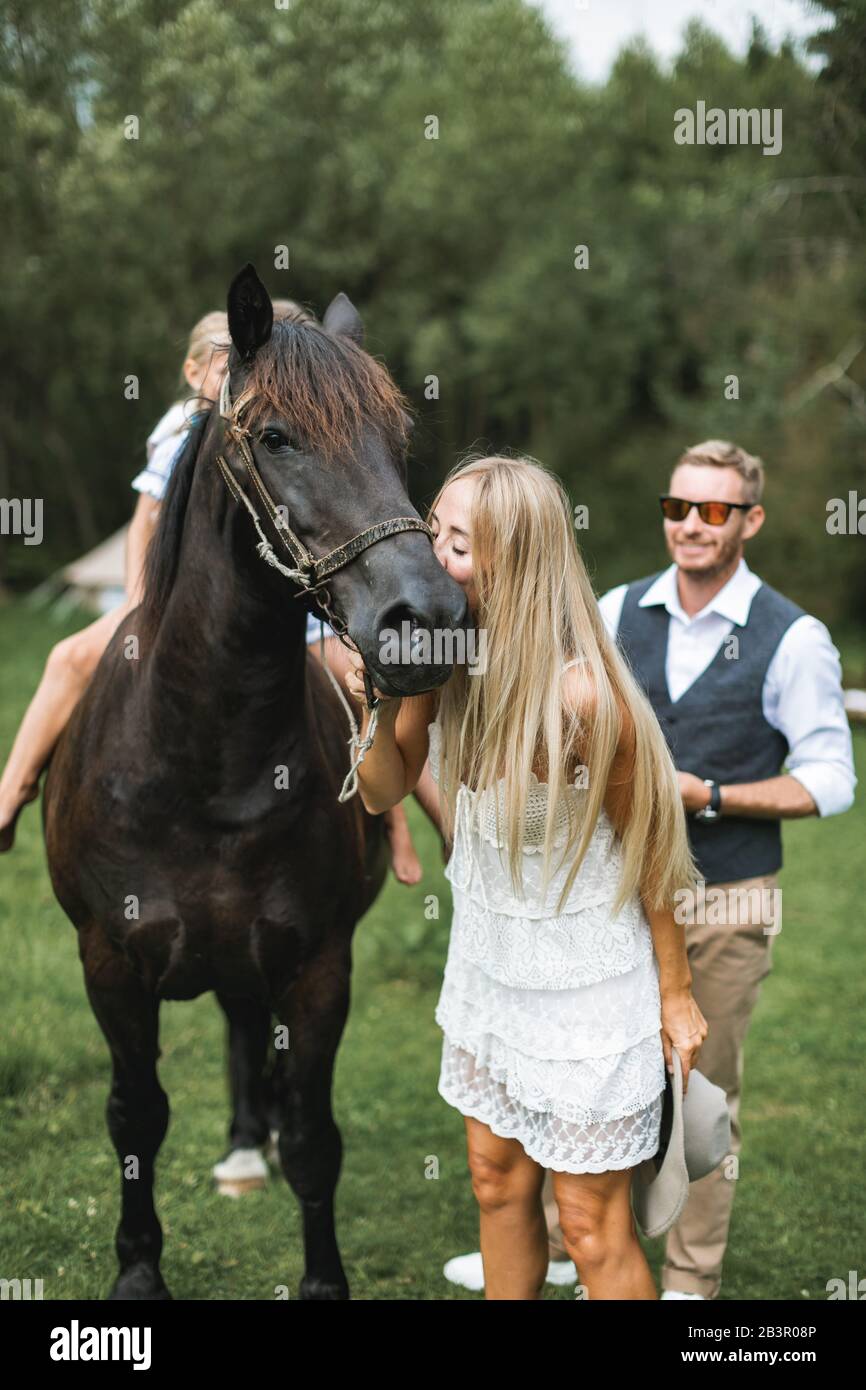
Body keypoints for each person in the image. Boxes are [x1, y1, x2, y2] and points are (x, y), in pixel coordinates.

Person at [345, 454, 708, 1300]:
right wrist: (383, 702)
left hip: (588, 980)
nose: (431, 557)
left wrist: (678, 993)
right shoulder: (441, 657)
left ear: (519, 559)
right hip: (490, 966)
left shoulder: (585, 698)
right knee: (493, 1181)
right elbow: (383, 792)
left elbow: (654, 848)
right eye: (431, 532)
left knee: (588, 1226)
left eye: (459, 546)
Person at [534, 438, 856, 1300]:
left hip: (726, 899)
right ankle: (568, 1253)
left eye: (713, 511)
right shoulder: (613, 609)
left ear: (750, 520)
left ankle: (688, 1285)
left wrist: (709, 794)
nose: (690, 526)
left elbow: (829, 781)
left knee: (700, 1096)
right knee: (583, 1078)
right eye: (678, 508)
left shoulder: (794, 638)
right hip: (608, 897)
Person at [0, 303, 427, 884]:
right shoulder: (183, 428)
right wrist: (137, 597)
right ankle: (13, 789)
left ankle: (398, 826)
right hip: (169, 594)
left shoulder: (296, 417)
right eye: (223, 365)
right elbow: (144, 522)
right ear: (194, 369)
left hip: (295, 600)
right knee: (69, 656)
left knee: (360, 692)